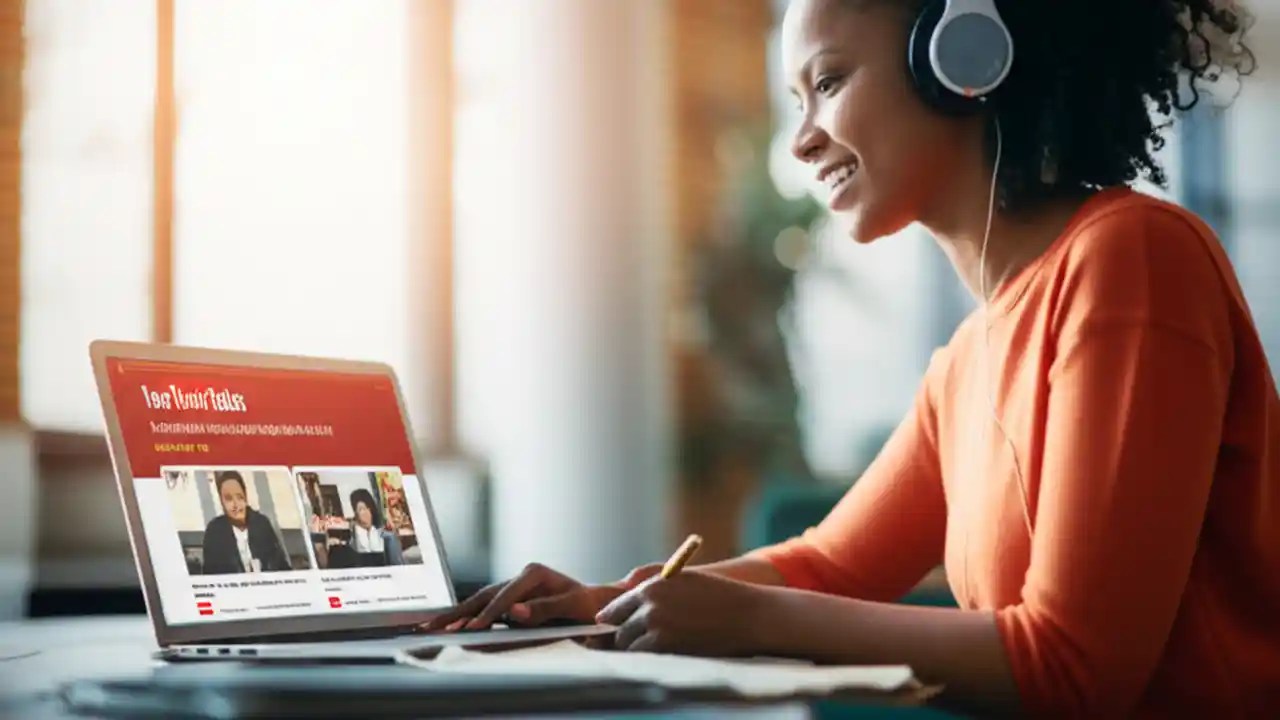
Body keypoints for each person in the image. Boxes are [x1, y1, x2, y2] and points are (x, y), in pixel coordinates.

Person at [425, 0, 1280, 715]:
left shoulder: (1132, 259)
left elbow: (1075, 668)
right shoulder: (967, 359)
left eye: (828, 83)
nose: (801, 140)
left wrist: (754, 620)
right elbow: (830, 565)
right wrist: (604, 604)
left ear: (957, 57)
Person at [200, 470, 293, 575]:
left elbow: (281, 566)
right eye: (229, 499)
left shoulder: (262, 524)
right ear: (222, 503)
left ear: (246, 497)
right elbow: (209, 576)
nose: (236, 505)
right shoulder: (214, 532)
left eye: (239, 497)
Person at [348, 488, 405, 566]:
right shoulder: (354, 537)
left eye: (365, 508)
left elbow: (398, 566)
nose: (365, 513)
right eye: (359, 510)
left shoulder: (388, 538)